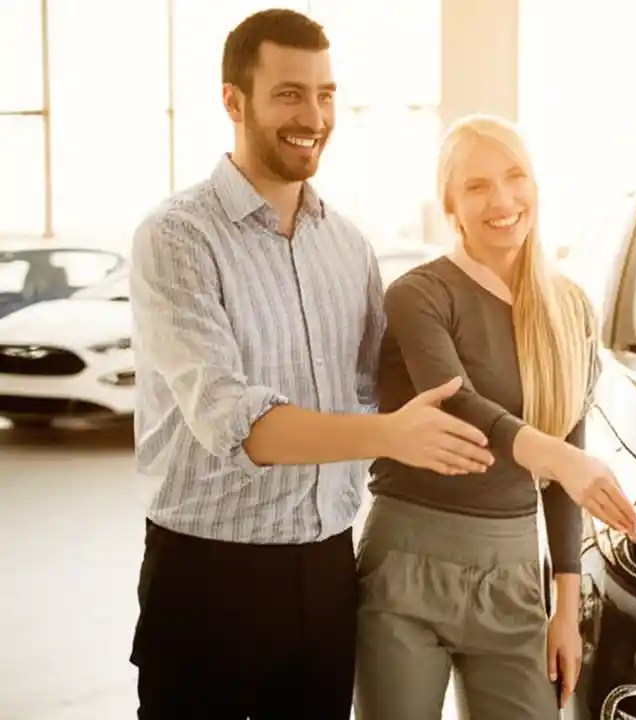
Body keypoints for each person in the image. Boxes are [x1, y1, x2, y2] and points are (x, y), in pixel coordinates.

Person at [127, 10, 498, 719]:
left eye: (326, 94)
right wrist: (387, 434)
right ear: (234, 101)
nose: (314, 115)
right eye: (290, 93)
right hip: (207, 575)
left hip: (329, 569)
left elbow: (372, 392)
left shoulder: (349, 247)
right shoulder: (176, 237)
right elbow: (235, 422)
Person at [353, 114, 636, 719]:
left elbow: (565, 480)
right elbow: (455, 403)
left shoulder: (571, 309)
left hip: (513, 574)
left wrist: (565, 609)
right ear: (449, 202)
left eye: (515, 177)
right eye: (477, 186)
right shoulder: (419, 294)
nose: (502, 200)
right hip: (408, 564)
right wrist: (562, 456)